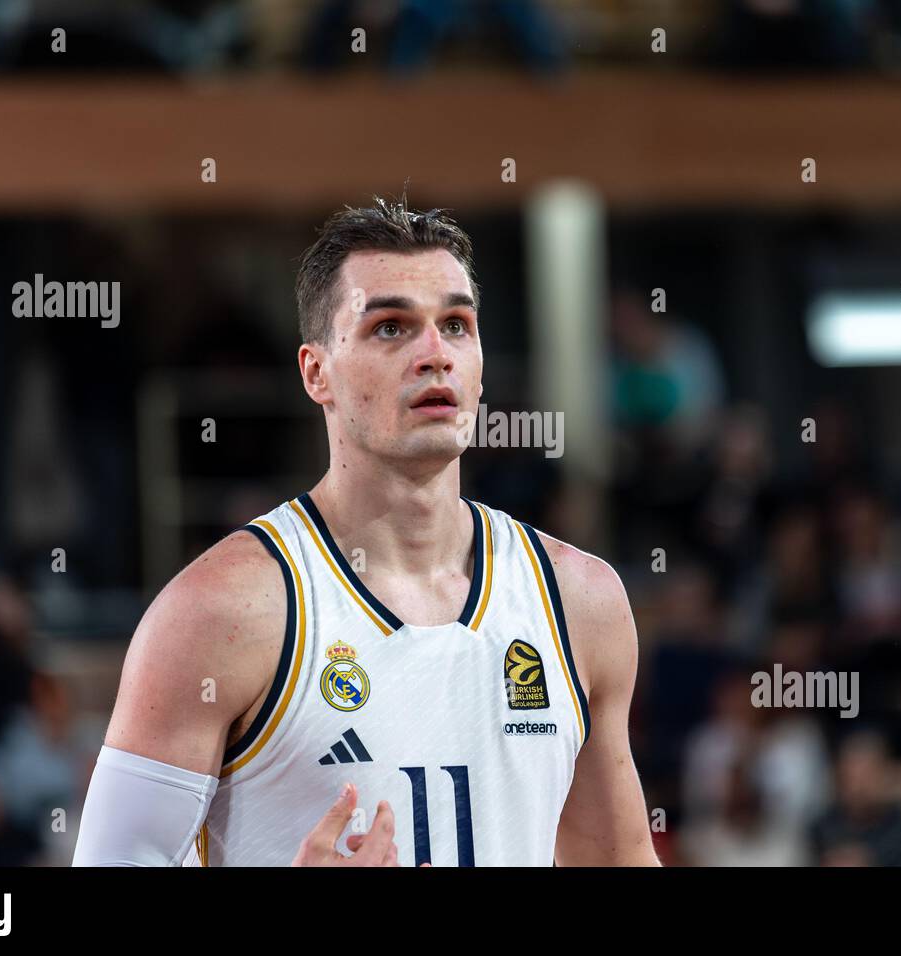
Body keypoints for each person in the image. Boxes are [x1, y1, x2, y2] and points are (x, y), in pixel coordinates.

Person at [73, 194, 659, 867]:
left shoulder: (581, 601)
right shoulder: (218, 613)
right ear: (316, 371)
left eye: (457, 325)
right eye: (391, 328)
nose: (435, 353)